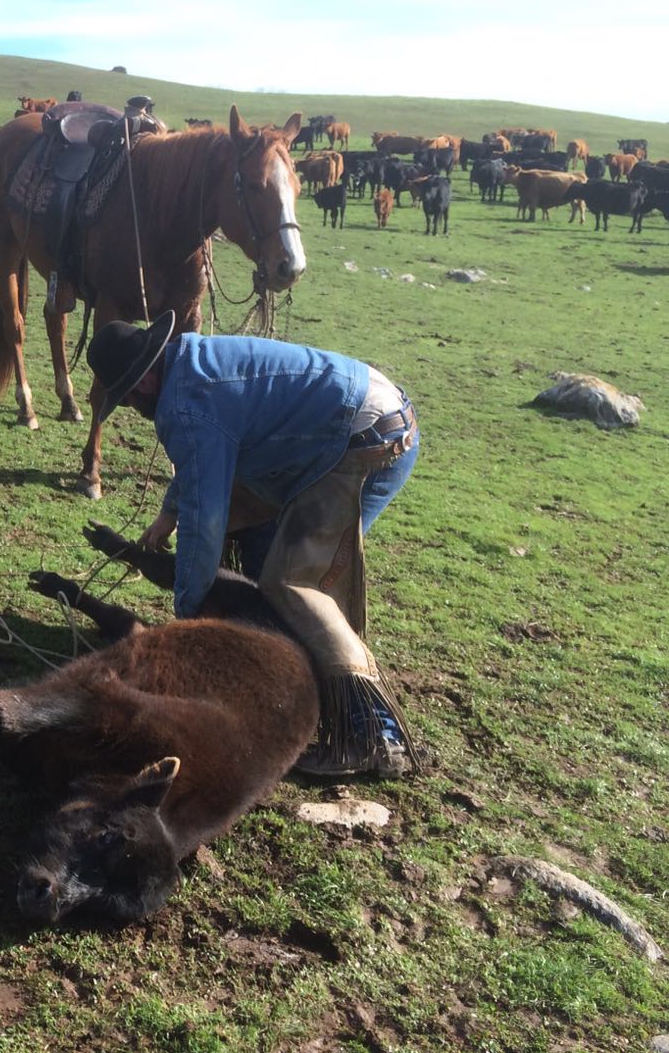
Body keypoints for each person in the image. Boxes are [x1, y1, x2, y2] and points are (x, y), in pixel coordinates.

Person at [86, 311, 422, 778]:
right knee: (268, 544)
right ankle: (293, 671)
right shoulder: (192, 363)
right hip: (360, 421)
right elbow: (204, 464)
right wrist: (168, 512)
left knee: (296, 583)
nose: (132, 407)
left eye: (126, 399)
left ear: (139, 386)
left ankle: (375, 736)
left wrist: (190, 619)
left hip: (361, 442)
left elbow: (206, 520)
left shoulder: (183, 403)